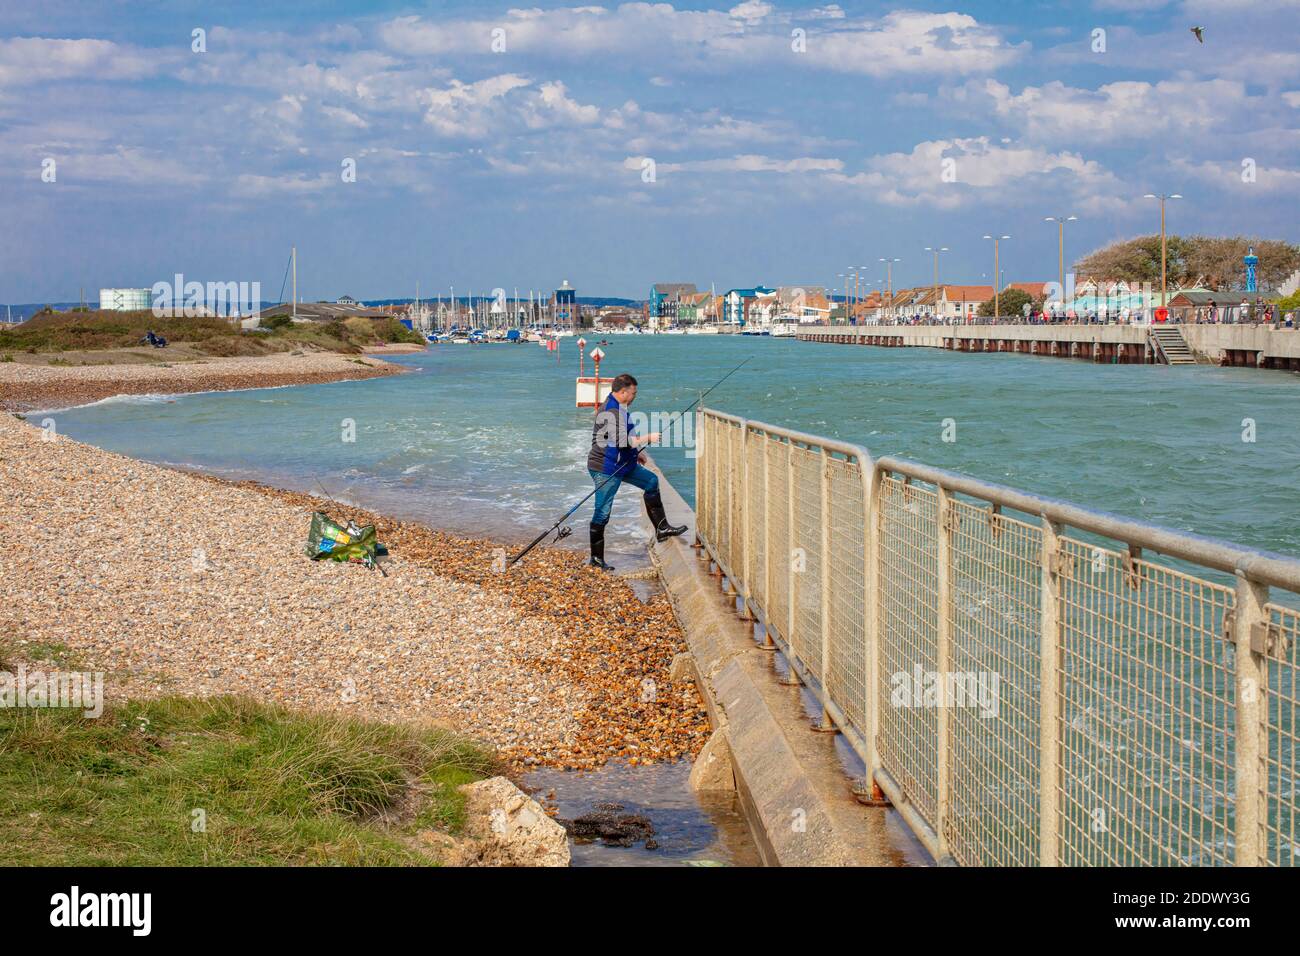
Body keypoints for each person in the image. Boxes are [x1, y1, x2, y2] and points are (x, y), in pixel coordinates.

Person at [586, 373, 686, 571]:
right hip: (606, 468)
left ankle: (662, 529)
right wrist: (647, 438)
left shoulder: (620, 408)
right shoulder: (610, 411)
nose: (634, 396)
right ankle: (596, 559)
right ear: (623, 392)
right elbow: (621, 441)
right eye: (633, 393)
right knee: (602, 512)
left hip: (623, 463)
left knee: (651, 481)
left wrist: (635, 453)